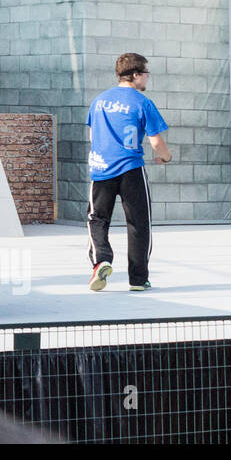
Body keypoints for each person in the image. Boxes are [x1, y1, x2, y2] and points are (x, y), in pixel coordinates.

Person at [85, 52, 172, 293]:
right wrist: (166, 156)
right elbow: (156, 143)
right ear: (135, 74)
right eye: (146, 74)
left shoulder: (99, 101)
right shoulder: (143, 102)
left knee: (97, 219)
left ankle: (101, 260)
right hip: (131, 169)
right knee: (138, 223)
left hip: (101, 169)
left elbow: (93, 136)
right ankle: (138, 279)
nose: (147, 79)